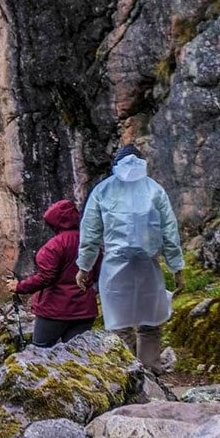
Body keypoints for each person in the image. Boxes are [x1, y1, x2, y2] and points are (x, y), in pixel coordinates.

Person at [76, 144, 184, 371]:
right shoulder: (154, 190)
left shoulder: (102, 191)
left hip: (115, 266)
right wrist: (177, 268)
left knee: (120, 323)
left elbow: (91, 233)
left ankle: (127, 372)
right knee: (150, 322)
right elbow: (169, 233)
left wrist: (84, 267)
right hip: (148, 266)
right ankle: (151, 368)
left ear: (116, 165)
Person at [6, 199, 100, 347]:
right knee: (79, 355)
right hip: (84, 309)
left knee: (41, 351)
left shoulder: (55, 245)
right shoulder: (90, 242)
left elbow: (45, 277)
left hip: (55, 310)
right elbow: (99, 272)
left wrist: (19, 287)